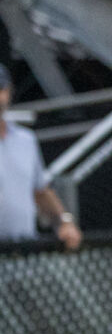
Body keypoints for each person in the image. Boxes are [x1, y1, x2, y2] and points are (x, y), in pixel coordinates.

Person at [0, 66, 82, 249]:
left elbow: (40, 190)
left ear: (9, 91)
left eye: (1, 89)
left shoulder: (25, 139)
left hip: (23, 254)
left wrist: (64, 222)